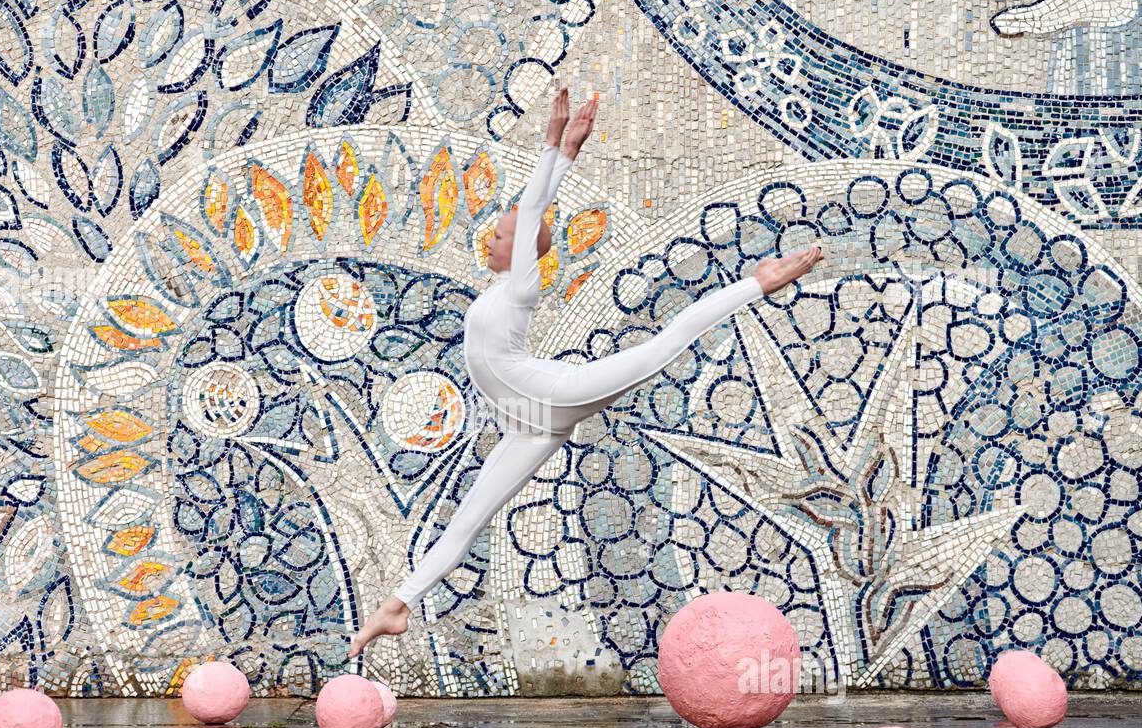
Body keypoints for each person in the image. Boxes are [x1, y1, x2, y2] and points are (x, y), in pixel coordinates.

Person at [349, 88, 823, 659]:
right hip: (529, 423)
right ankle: (398, 605)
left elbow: (529, 215)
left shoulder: (521, 288)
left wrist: (555, 147)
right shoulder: (502, 290)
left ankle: (758, 282)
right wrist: (564, 149)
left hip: (554, 392)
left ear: (521, 250)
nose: (492, 240)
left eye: (500, 237)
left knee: (660, 348)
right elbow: (530, 215)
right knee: (473, 514)